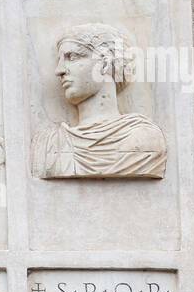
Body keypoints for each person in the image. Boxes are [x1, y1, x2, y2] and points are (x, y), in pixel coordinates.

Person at [31, 23, 167, 180]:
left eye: (72, 57)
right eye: (60, 60)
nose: (59, 70)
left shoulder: (146, 141)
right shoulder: (48, 145)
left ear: (105, 63)